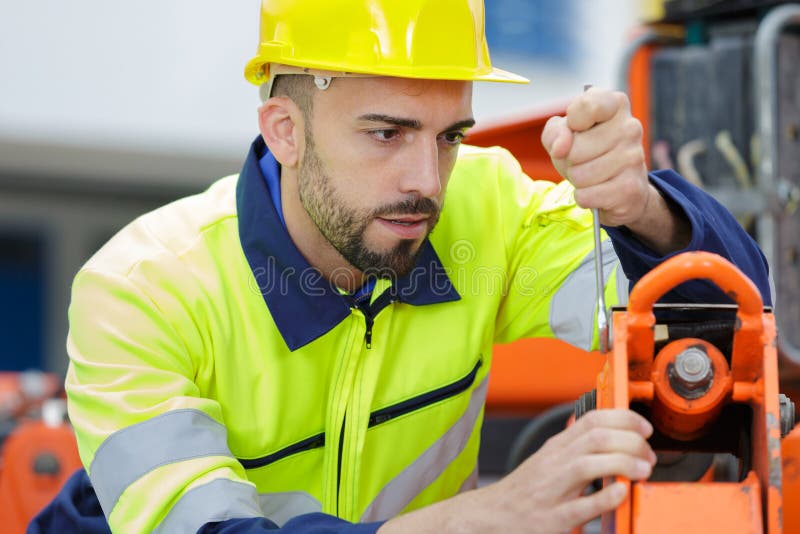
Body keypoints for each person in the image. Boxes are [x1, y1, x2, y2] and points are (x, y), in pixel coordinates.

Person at [31, 1, 771, 533]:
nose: (427, 179)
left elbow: (722, 319)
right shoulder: (140, 291)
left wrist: (642, 208)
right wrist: (481, 518)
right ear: (285, 131)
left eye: (449, 135)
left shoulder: (486, 209)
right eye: (386, 133)